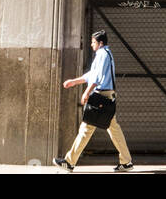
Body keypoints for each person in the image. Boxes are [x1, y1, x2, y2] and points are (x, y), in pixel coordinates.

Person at [54, 30, 134, 172]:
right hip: (106, 97)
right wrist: (74, 82)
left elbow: (96, 77)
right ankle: (126, 162)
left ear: (100, 43)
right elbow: (92, 74)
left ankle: (69, 162)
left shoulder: (102, 54)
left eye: (93, 42)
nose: (91, 45)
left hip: (101, 97)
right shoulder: (104, 54)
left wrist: (86, 92)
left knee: (86, 129)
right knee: (113, 130)